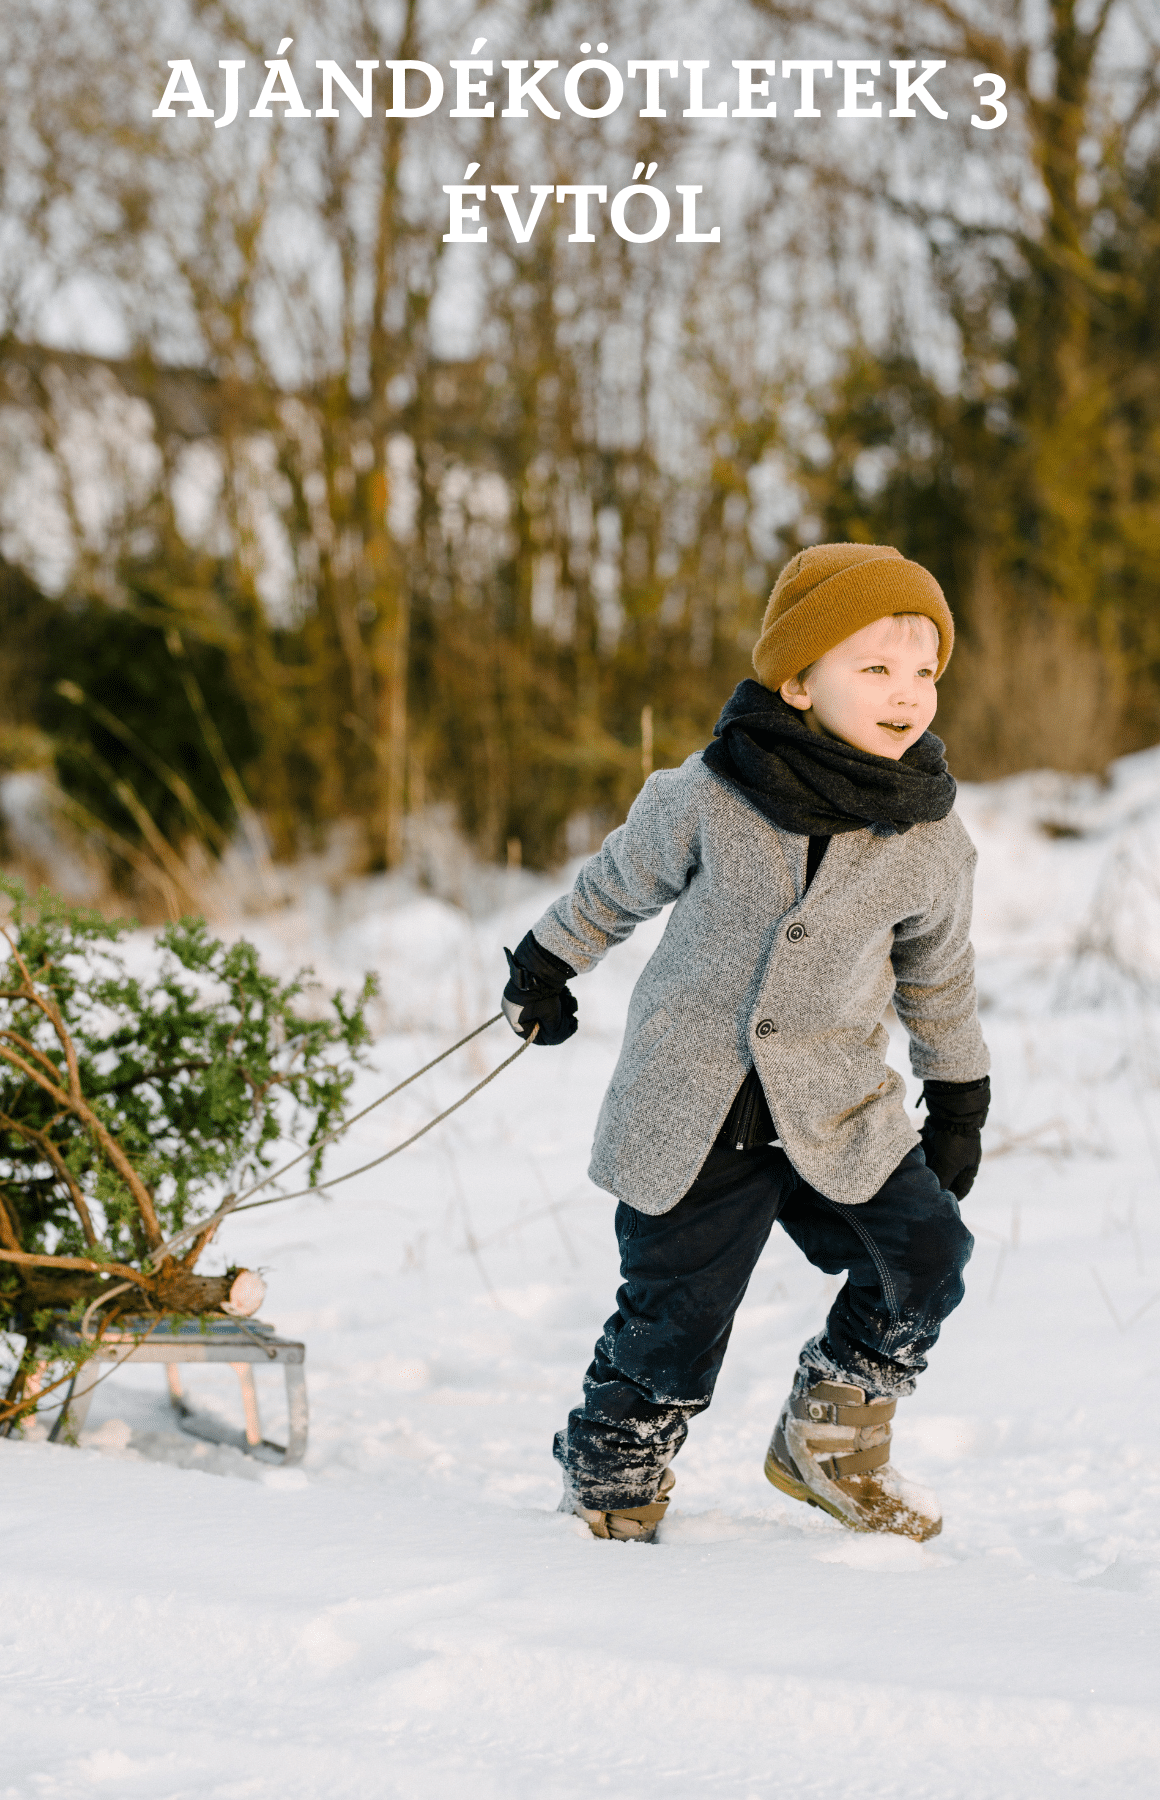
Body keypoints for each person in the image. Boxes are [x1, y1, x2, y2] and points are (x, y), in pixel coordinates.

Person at [501, 542, 990, 1544]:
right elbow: (614, 888)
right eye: (873, 668)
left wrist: (957, 1096)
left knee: (925, 1258)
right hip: (695, 1108)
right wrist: (544, 966)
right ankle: (612, 1474)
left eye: (922, 671)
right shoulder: (709, 794)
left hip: (834, 1105)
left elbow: (935, 977)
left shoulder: (929, 838)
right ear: (798, 679)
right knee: (675, 1320)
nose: (905, 694)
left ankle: (832, 1432)